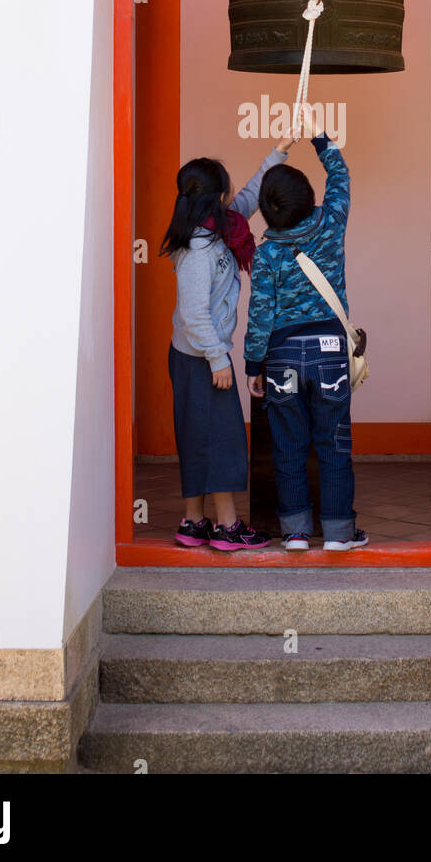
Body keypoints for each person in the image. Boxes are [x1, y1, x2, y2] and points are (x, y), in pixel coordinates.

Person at [161, 132, 293, 549]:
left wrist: (279, 152)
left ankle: (194, 522)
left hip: (201, 355)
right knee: (222, 439)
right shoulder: (198, 252)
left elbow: (253, 195)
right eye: (227, 186)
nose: (235, 191)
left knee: (200, 435)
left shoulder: (220, 226)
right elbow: (194, 314)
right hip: (201, 357)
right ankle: (227, 527)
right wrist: (219, 359)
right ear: (215, 197)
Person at [244, 106, 367, 552]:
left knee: (289, 446)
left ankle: (295, 532)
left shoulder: (266, 254)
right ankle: (338, 534)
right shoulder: (331, 225)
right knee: (333, 444)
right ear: (308, 197)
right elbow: (342, 177)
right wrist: (319, 137)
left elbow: (260, 315)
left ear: (267, 211)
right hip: (330, 348)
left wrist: (253, 364)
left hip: (281, 358)